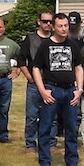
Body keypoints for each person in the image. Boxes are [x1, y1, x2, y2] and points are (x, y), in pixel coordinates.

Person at [32, 13, 84, 166]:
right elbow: (36, 68)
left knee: (71, 129)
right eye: (60, 26)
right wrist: (42, 90)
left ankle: (72, 164)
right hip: (52, 90)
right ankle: (45, 164)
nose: (64, 29)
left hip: (70, 91)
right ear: (53, 27)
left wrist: (79, 89)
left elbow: (79, 67)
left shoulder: (73, 45)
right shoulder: (45, 46)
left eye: (66, 25)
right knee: (46, 128)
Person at [19, 11, 55, 154]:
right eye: (45, 21)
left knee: (52, 115)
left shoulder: (55, 39)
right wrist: (29, 77)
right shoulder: (30, 39)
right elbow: (21, 60)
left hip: (51, 82)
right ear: (38, 22)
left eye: (50, 22)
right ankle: (30, 144)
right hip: (34, 83)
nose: (48, 24)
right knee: (32, 115)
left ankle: (50, 143)